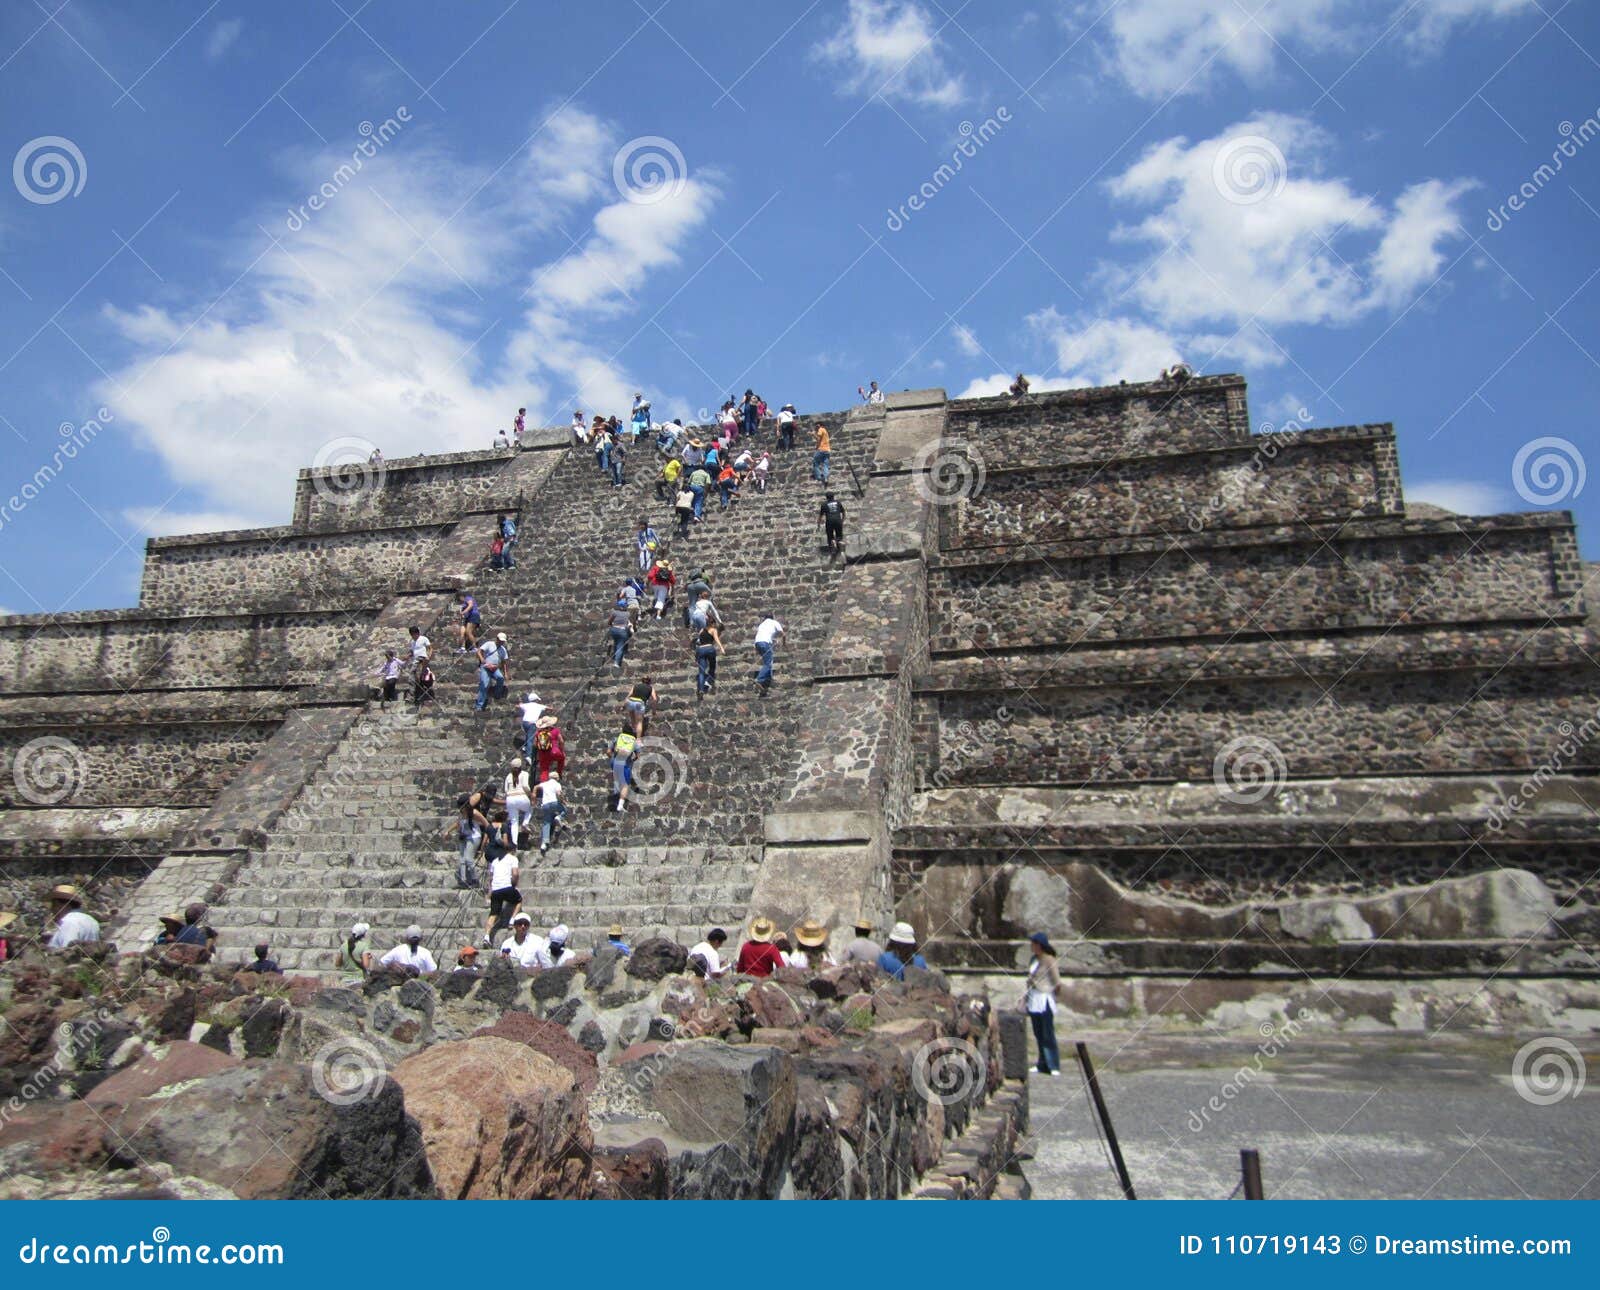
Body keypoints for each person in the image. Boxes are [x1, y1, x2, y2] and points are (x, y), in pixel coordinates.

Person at [1024, 931, 1061, 1076]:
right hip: (1034, 998)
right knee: (1038, 1033)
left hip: (1044, 998)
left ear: (1040, 945)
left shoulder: (1049, 960)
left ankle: (1053, 1064)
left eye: (1033, 943)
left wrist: (1054, 995)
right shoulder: (1034, 959)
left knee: (1047, 1033)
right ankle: (1042, 1064)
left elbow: (1057, 981)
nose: (1031, 946)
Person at [483, 841, 521, 946]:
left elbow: (490, 878)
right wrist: (514, 884)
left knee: (493, 914)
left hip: (496, 890)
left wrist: (489, 893)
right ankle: (512, 920)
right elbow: (515, 873)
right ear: (513, 850)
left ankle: (486, 936)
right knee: (519, 900)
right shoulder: (513, 859)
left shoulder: (495, 861)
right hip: (507, 887)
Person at [452, 790, 489, 889]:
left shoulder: (474, 812)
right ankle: (463, 881)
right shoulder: (461, 813)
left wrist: (488, 836)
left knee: (469, 859)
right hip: (464, 836)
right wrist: (448, 831)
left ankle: (474, 879)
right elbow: (458, 823)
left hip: (474, 837)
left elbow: (486, 823)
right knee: (462, 860)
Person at [475, 632, 509, 712]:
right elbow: (479, 651)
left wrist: (506, 673)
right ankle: (479, 705)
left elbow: (504, 662)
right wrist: (482, 659)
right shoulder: (489, 644)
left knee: (500, 678)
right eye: (500, 641)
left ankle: (497, 694)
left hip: (495, 668)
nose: (501, 642)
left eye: (503, 641)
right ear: (497, 639)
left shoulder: (503, 650)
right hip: (486, 667)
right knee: (485, 684)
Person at [503, 758, 534, 847]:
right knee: (530, 808)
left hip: (510, 799)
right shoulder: (524, 774)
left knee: (514, 822)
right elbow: (525, 786)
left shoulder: (508, 776)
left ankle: (514, 842)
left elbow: (505, 790)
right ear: (520, 766)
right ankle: (525, 823)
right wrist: (530, 794)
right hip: (521, 796)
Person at [536, 770, 568, 854]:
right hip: (554, 803)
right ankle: (558, 817)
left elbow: (536, 787)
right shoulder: (557, 784)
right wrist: (563, 801)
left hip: (545, 805)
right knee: (564, 810)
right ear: (557, 778)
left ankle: (544, 843)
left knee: (546, 822)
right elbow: (559, 793)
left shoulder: (544, 784)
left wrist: (533, 794)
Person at [608, 724, 638, 812]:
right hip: (626, 764)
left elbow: (608, 752)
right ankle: (620, 805)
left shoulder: (617, 739)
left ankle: (616, 793)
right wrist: (632, 759)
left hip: (615, 762)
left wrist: (612, 758)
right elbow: (637, 756)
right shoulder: (634, 742)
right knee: (625, 785)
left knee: (617, 778)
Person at [753, 614, 784, 690]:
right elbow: (783, 633)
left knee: (767, 661)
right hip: (764, 643)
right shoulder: (774, 622)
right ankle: (759, 680)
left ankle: (768, 678)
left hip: (757, 643)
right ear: (772, 618)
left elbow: (763, 635)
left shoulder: (761, 625)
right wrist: (784, 643)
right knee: (768, 663)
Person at [693, 619, 723, 697]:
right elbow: (716, 639)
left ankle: (701, 689)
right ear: (712, 624)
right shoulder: (713, 630)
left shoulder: (702, 630)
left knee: (701, 672)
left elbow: (698, 641)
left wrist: (697, 654)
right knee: (712, 667)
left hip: (701, 649)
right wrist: (721, 648)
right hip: (709, 649)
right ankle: (708, 681)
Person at [534, 713, 566, 782]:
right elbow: (561, 741)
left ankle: (544, 784)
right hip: (555, 752)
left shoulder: (538, 733)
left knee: (544, 770)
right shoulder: (555, 731)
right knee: (562, 758)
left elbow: (535, 744)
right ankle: (559, 772)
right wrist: (562, 751)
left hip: (543, 754)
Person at [606, 598, 634, 669]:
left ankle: (615, 656)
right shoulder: (627, 613)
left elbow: (609, 622)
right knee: (620, 647)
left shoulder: (614, 612)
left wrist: (611, 624)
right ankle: (616, 662)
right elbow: (630, 622)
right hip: (622, 631)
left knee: (616, 642)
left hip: (614, 629)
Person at [519, 690, 546, 761]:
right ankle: (528, 756)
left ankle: (525, 747)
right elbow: (548, 708)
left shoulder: (526, 705)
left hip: (525, 723)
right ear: (536, 700)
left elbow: (519, 705)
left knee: (528, 735)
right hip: (532, 723)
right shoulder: (539, 706)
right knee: (531, 739)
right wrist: (552, 709)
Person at [818, 492, 845, 556]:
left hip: (829, 521)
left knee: (830, 536)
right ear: (833, 496)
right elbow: (843, 512)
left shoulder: (824, 504)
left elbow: (820, 516)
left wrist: (818, 523)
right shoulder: (838, 502)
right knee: (839, 536)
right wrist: (842, 520)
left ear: (826, 498)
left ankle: (832, 549)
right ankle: (839, 547)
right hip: (838, 520)